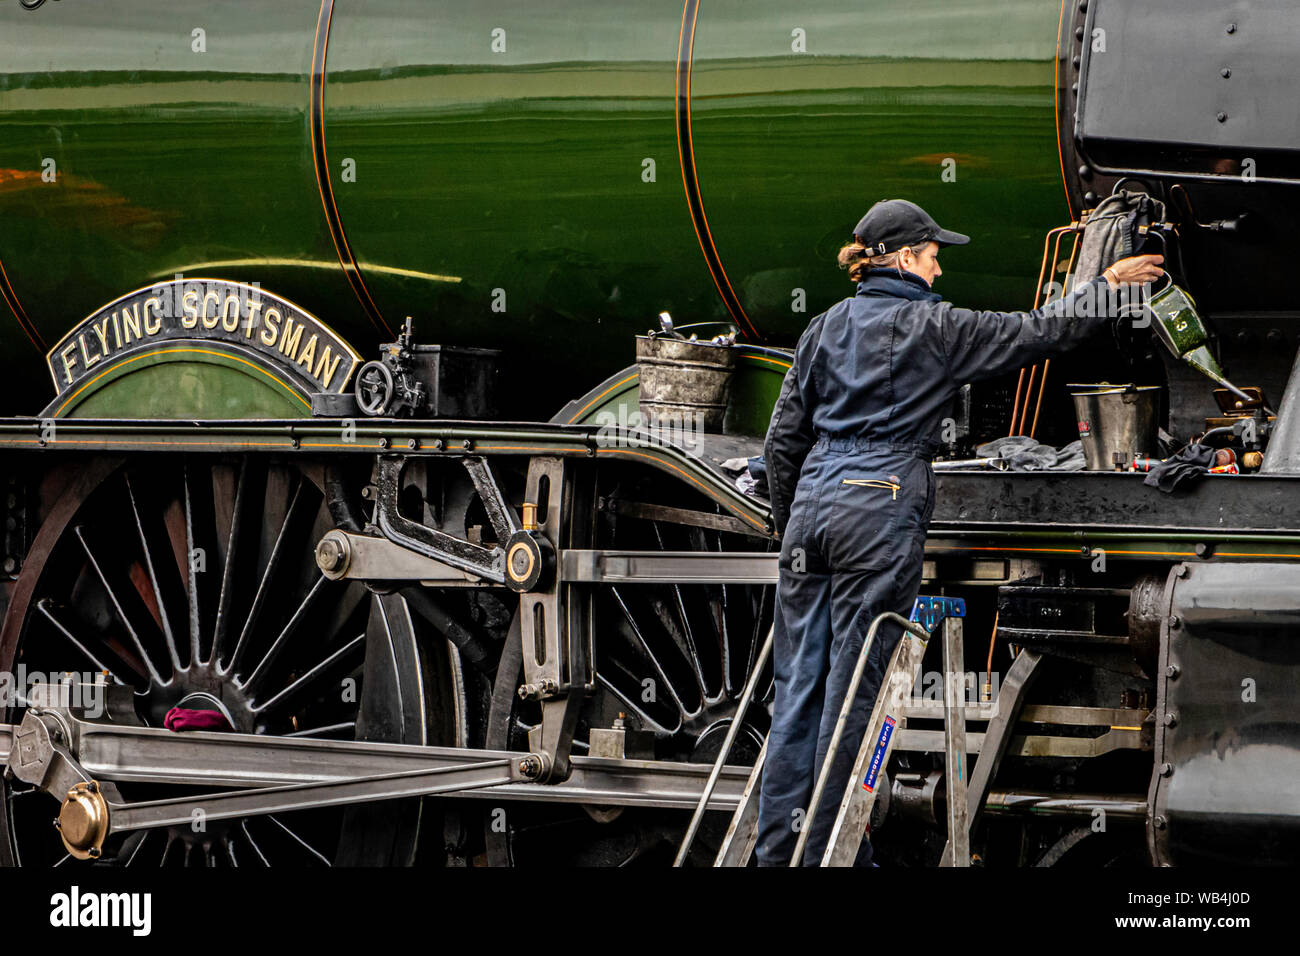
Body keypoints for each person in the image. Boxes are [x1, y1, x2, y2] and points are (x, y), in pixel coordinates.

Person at [756, 198, 1164, 866]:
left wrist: (789, 530)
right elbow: (1035, 332)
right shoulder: (934, 327)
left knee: (797, 691)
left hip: (811, 508)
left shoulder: (823, 327)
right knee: (854, 696)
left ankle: (777, 852)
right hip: (877, 504)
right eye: (935, 254)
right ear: (907, 257)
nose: (940, 268)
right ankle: (826, 856)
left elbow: (782, 444)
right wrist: (1107, 289)